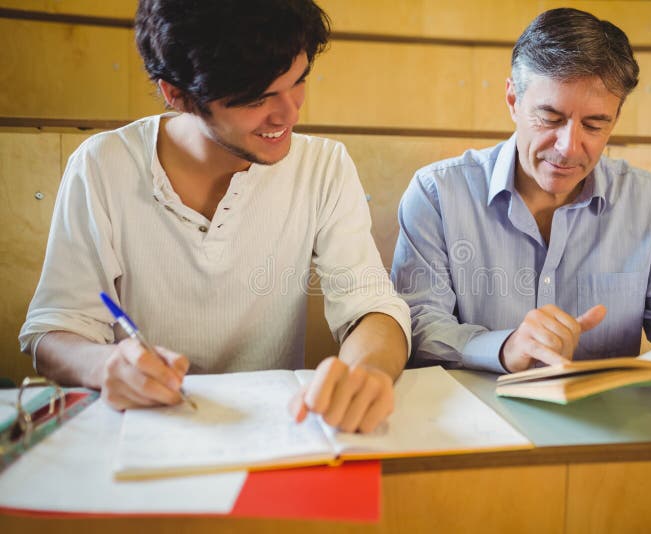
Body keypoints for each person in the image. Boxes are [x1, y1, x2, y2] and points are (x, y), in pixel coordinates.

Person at [19, 0, 410, 433]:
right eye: (258, 98)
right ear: (178, 94)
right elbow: (53, 330)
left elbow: (372, 308)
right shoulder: (103, 165)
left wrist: (366, 372)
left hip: (277, 432)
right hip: (140, 435)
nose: (289, 112)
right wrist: (104, 364)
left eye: (299, 82)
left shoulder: (324, 166)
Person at [390, 7, 651, 386]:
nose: (569, 147)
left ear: (616, 118)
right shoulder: (437, 193)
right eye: (550, 118)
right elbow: (418, 325)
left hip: (611, 431)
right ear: (512, 100)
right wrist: (505, 347)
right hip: (475, 428)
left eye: (594, 124)